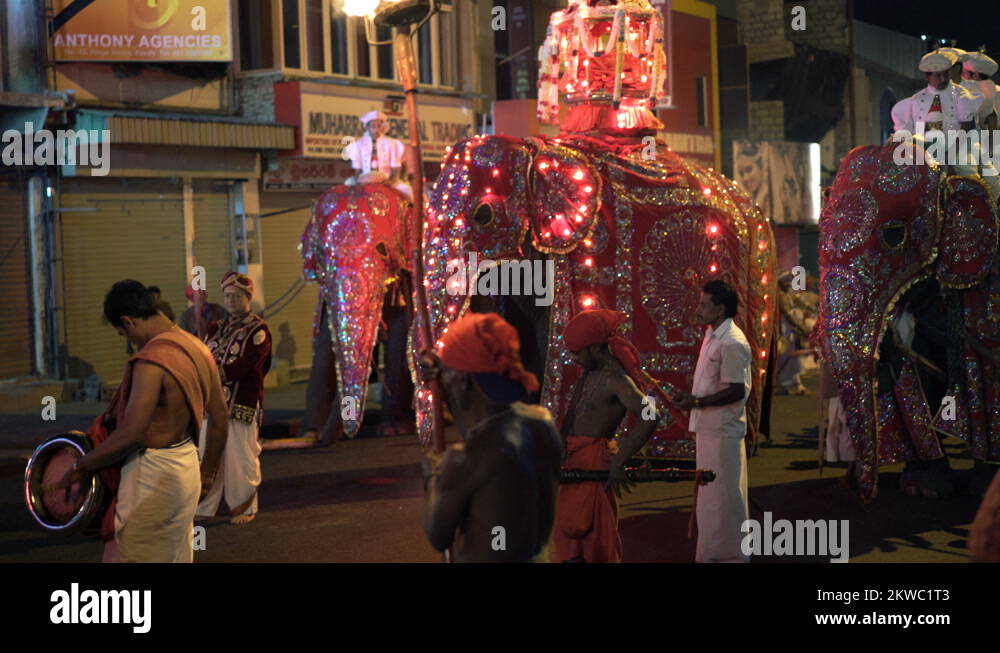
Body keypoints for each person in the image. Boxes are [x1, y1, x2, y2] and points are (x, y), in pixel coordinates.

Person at [47, 280, 228, 562]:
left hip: (152, 476)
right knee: (174, 555)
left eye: (123, 334)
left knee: (130, 564)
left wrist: (81, 466)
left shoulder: (151, 361)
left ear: (128, 321)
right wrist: (208, 473)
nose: (128, 341)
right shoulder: (198, 348)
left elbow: (132, 434)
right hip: (187, 468)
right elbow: (220, 418)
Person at [418, 312, 562, 562]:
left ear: (463, 380)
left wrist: (432, 475)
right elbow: (479, 428)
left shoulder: (463, 459)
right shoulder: (542, 422)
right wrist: (448, 374)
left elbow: (438, 536)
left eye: (450, 374)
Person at [553, 309, 663, 563]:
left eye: (577, 353)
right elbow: (571, 415)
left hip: (594, 464)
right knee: (569, 538)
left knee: (594, 543)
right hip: (573, 462)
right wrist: (558, 450)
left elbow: (651, 415)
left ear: (594, 348)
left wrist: (619, 461)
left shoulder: (618, 381)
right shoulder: (589, 373)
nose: (574, 359)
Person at [672, 281, 752, 563]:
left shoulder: (732, 341)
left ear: (720, 309)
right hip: (710, 428)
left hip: (722, 430)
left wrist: (696, 402)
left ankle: (731, 556)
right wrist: (694, 399)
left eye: (705, 304)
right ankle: (712, 553)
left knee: (724, 497)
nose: (699, 309)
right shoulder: (713, 334)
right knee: (711, 497)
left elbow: (736, 389)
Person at [196, 272, 272, 525]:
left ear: (248, 298)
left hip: (242, 403)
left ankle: (245, 507)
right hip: (213, 405)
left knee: (241, 457)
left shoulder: (258, 329)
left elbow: (249, 364)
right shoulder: (216, 328)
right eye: (227, 296)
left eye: (237, 296)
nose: (231, 300)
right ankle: (205, 506)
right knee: (208, 454)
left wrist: (215, 372)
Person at [891, 50, 981, 135]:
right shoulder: (915, 100)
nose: (943, 79)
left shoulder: (962, 95)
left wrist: (952, 149)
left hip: (957, 149)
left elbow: (967, 128)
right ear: (927, 76)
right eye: (937, 76)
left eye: (946, 74)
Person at [343, 110, 411, 199]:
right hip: (365, 179)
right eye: (373, 126)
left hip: (387, 180)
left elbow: (396, 170)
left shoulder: (392, 144)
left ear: (383, 127)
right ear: (367, 127)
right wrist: (359, 181)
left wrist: (390, 182)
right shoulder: (358, 145)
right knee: (346, 188)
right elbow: (357, 171)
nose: (376, 130)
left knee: (408, 191)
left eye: (379, 126)